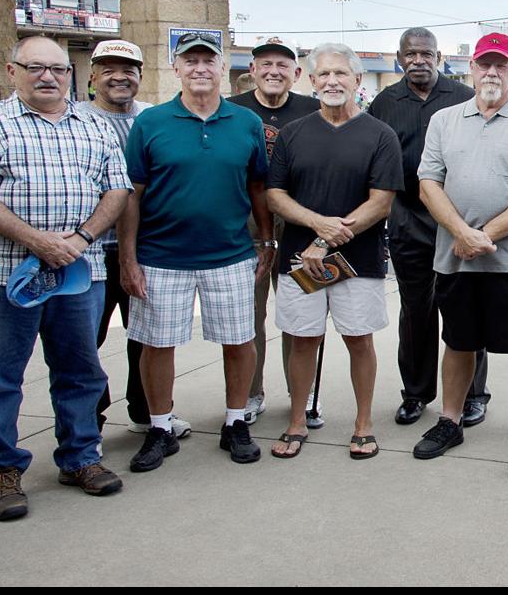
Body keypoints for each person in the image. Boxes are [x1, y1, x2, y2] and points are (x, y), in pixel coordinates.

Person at [0, 36, 132, 520]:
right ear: (12, 71)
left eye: (58, 69)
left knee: (80, 370)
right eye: (35, 67)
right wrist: (37, 240)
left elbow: (116, 190)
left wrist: (82, 239)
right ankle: (1, 469)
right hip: (5, 274)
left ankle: (80, 456)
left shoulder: (94, 125)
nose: (48, 77)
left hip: (79, 273)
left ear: (71, 74)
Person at [120, 31, 274, 472]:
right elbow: (132, 194)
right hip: (160, 256)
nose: (200, 68)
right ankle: (159, 427)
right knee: (156, 345)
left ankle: (235, 420)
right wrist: (128, 258)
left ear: (223, 67)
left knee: (240, 340)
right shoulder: (151, 123)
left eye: (209, 60)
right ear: (177, 68)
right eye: (191, 61)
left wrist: (266, 239)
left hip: (230, 254)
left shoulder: (245, 122)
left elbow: (257, 186)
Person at [413, 33, 508, 480]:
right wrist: (461, 234)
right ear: (471, 69)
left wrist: (482, 236)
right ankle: (450, 421)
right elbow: (428, 184)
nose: (492, 72)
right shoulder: (444, 120)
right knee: (458, 343)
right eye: (484, 64)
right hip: (456, 258)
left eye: (502, 65)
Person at [265, 43, 404, 460]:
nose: (332, 81)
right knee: (303, 340)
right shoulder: (293, 134)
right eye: (323, 74)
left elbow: (381, 202)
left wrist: (325, 239)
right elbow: (275, 195)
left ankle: (363, 425)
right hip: (300, 261)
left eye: (340, 73)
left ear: (357, 80)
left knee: (359, 340)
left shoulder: (380, 135)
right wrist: (317, 224)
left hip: (356, 263)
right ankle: (297, 421)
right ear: (311, 81)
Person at [368, 27, 490, 429]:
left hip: (458, 220)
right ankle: (416, 393)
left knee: (465, 310)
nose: (418, 60)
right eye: (410, 54)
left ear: (439, 58)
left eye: (426, 54)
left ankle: (473, 395)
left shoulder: (464, 97)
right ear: (399, 58)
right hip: (408, 219)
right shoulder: (384, 103)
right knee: (415, 312)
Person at [81, 40, 191, 440]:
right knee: (84, 342)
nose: (119, 77)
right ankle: (87, 423)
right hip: (88, 251)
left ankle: (148, 414)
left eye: (128, 70)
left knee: (147, 338)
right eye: (108, 69)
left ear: (140, 75)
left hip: (145, 250)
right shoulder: (76, 119)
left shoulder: (153, 118)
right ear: (92, 76)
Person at [228, 36, 326, 429]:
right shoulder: (232, 110)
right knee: (249, 315)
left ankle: (303, 394)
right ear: (252, 70)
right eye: (265, 64)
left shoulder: (313, 110)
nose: (273, 71)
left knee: (302, 312)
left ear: (297, 73)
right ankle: (250, 393)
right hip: (247, 223)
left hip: (301, 223)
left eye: (282, 65)